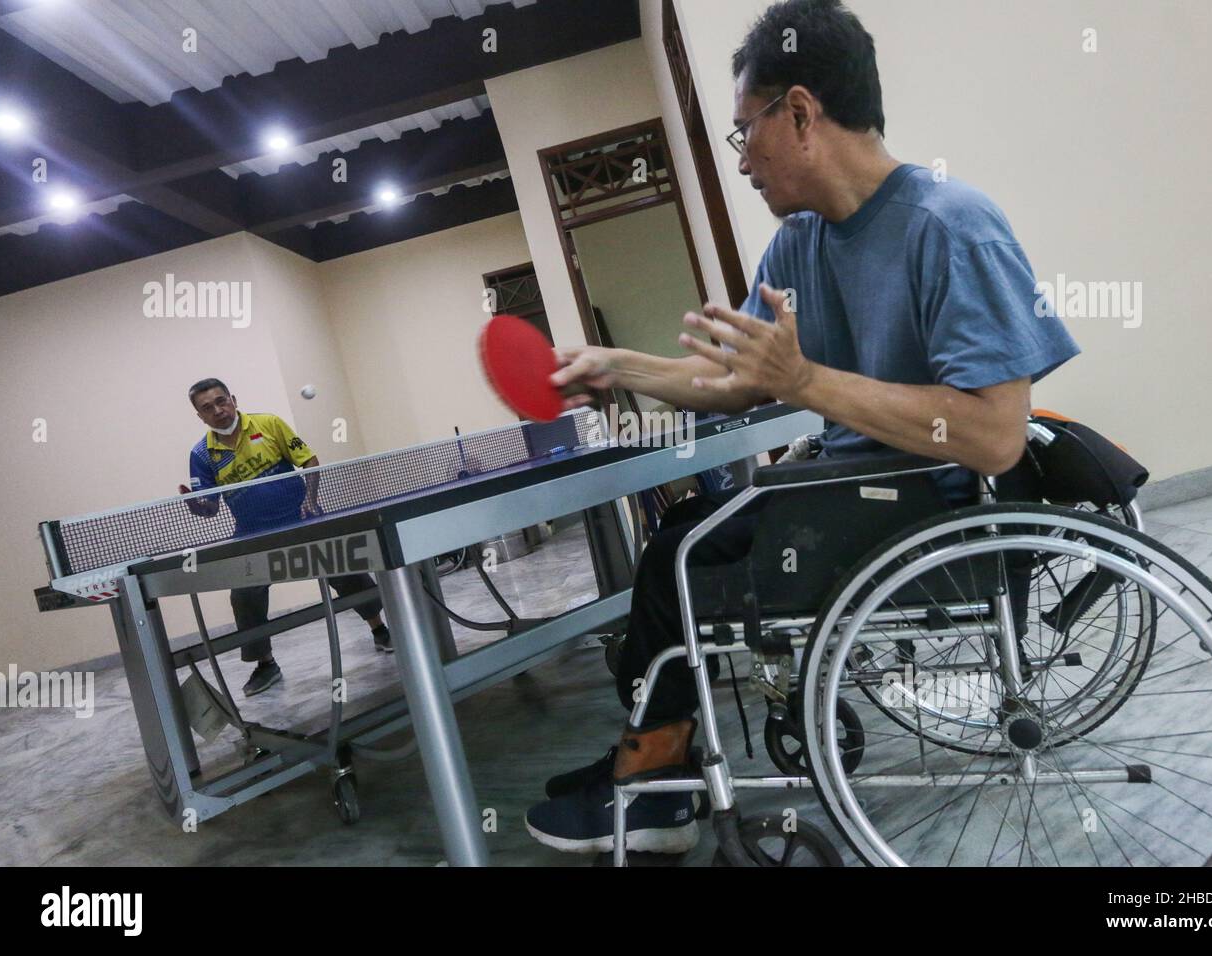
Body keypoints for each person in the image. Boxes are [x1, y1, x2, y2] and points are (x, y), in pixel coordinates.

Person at [525, 0, 1080, 855]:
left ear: (800, 113)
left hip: (919, 508)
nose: (741, 159)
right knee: (682, 537)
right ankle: (657, 767)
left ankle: (658, 785)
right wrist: (619, 367)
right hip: (847, 493)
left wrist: (808, 382)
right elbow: (735, 381)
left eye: (745, 132)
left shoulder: (949, 224)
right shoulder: (801, 246)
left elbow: (995, 436)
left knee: (678, 555)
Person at [179, 378, 392, 697]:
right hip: (252, 534)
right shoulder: (202, 454)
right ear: (200, 416)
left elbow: (308, 460)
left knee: (347, 571)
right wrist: (197, 506)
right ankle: (265, 664)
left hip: (300, 519)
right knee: (244, 597)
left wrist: (310, 498)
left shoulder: (269, 424)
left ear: (233, 399)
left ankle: (380, 628)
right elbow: (210, 507)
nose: (218, 410)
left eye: (221, 401)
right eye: (207, 407)